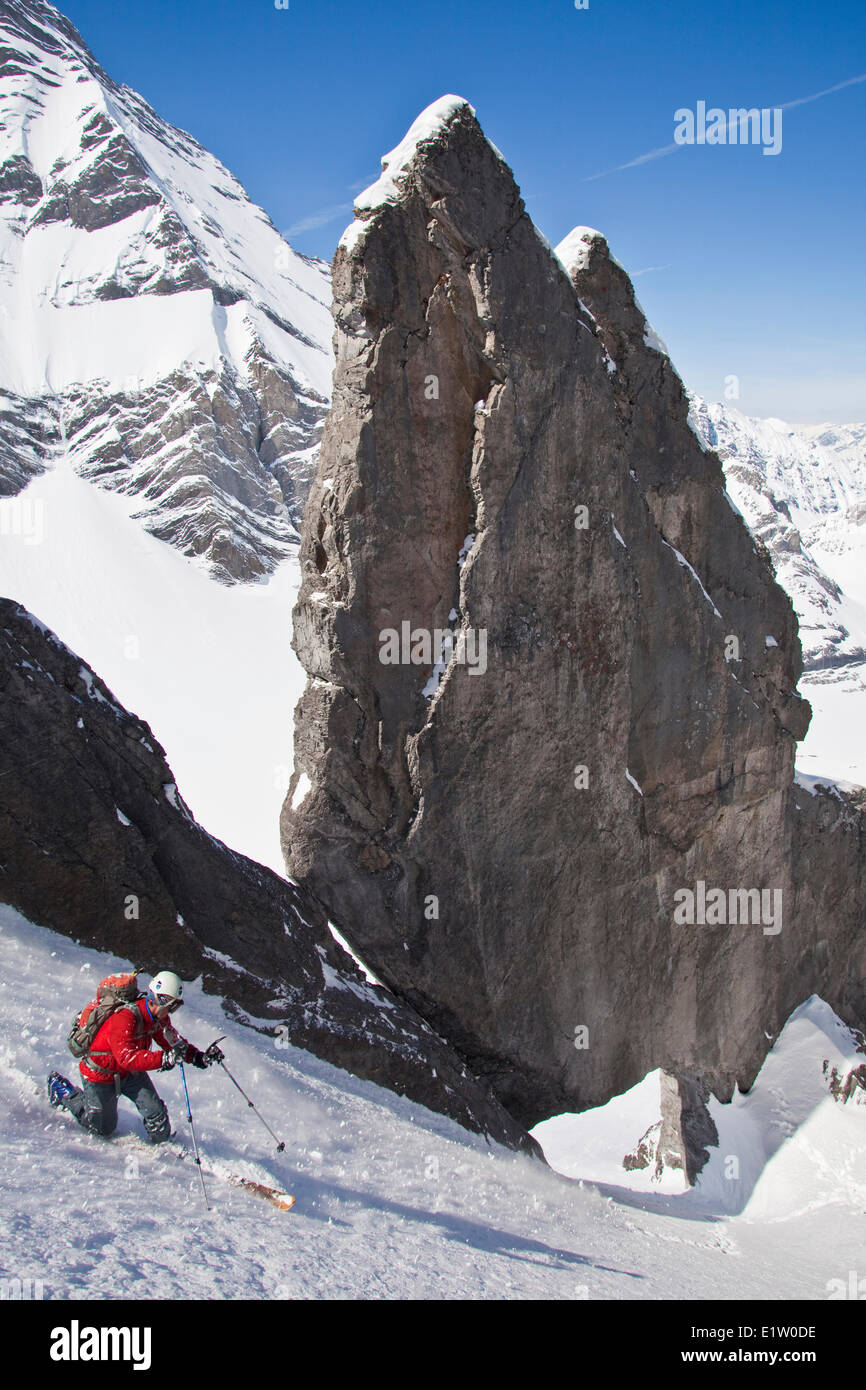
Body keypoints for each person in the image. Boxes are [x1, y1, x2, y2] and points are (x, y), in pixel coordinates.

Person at [48, 970, 211, 1144]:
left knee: (158, 1119)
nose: (172, 1011)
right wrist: (163, 1059)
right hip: (100, 1075)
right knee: (102, 1129)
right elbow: (125, 1057)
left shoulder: (158, 1018)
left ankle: (161, 1146)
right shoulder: (125, 1017)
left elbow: (172, 1042)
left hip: (130, 1073)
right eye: (173, 1006)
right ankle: (63, 1091)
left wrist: (197, 1057)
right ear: (161, 1000)